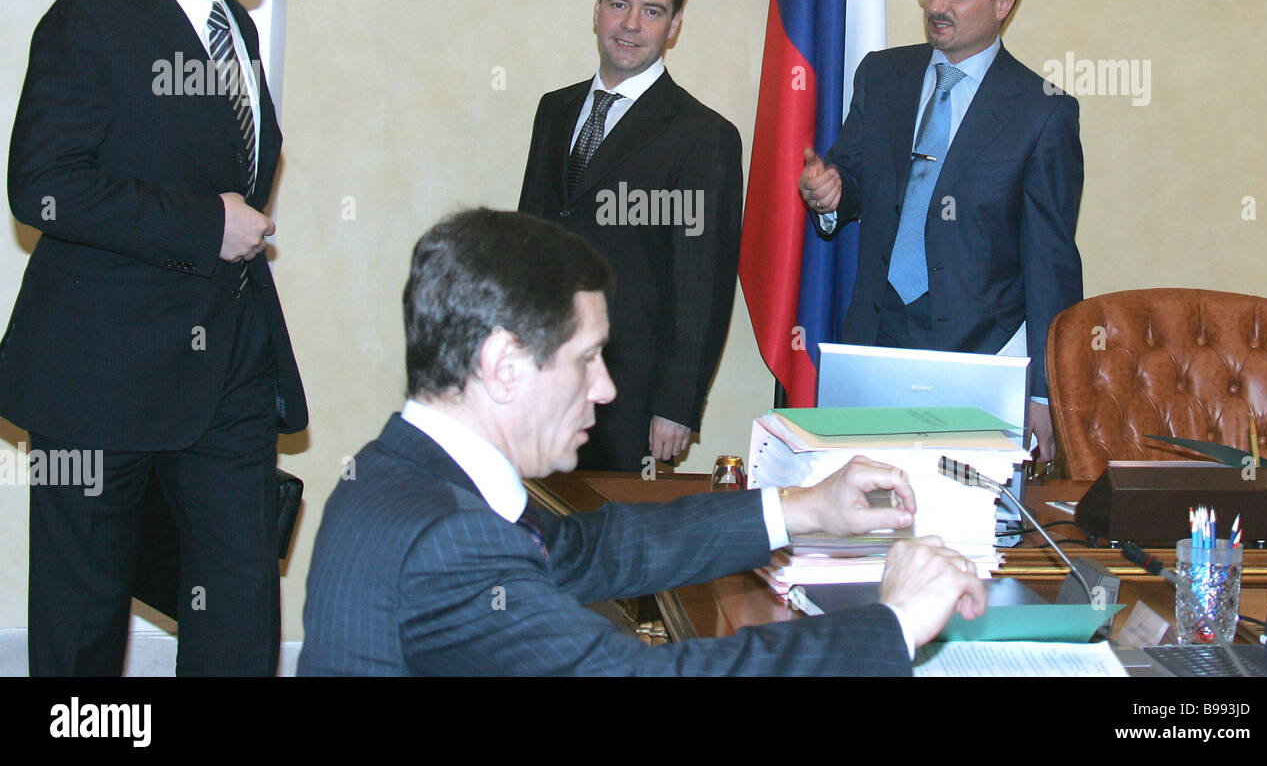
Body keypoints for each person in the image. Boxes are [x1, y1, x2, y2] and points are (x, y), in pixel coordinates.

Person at [298, 208, 985, 676]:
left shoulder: (409, 473)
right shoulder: (446, 541)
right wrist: (892, 623)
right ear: (504, 363)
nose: (605, 388)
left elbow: (593, 549)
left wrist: (802, 508)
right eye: (587, 357)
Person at [0, 0, 307, 675]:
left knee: (240, 594)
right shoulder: (91, 22)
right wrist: (203, 223)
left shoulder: (236, 32)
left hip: (230, 370)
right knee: (83, 611)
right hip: (100, 368)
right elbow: (44, 186)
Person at [799, 0, 1083, 460]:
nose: (937, 5)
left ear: (1004, 1)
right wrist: (832, 197)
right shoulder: (883, 76)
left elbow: (1051, 260)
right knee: (864, 513)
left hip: (982, 350)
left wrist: (1046, 391)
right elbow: (853, 179)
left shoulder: (1042, 111)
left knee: (967, 525)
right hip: (876, 338)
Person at [518, 0, 742, 470]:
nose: (631, 24)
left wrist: (677, 403)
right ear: (596, 11)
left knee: (617, 541)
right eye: (619, 4)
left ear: (675, 25)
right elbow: (525, 245)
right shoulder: (555, 110)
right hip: (540, 380)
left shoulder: (702, 135)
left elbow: (701, 283)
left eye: (653, 10)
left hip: (633, 397)